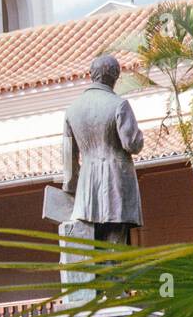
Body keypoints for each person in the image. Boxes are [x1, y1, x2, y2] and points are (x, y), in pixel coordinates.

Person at [61, 53, 144, 245]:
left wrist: (71, 188)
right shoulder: (119, 105)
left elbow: (68, 158)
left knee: (91, 251)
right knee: (115, 249)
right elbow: (132, 144)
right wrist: (140, 136)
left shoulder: (72, 110)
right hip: (117, 186)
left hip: (86, 192)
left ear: (91, 74)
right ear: (115, 76)